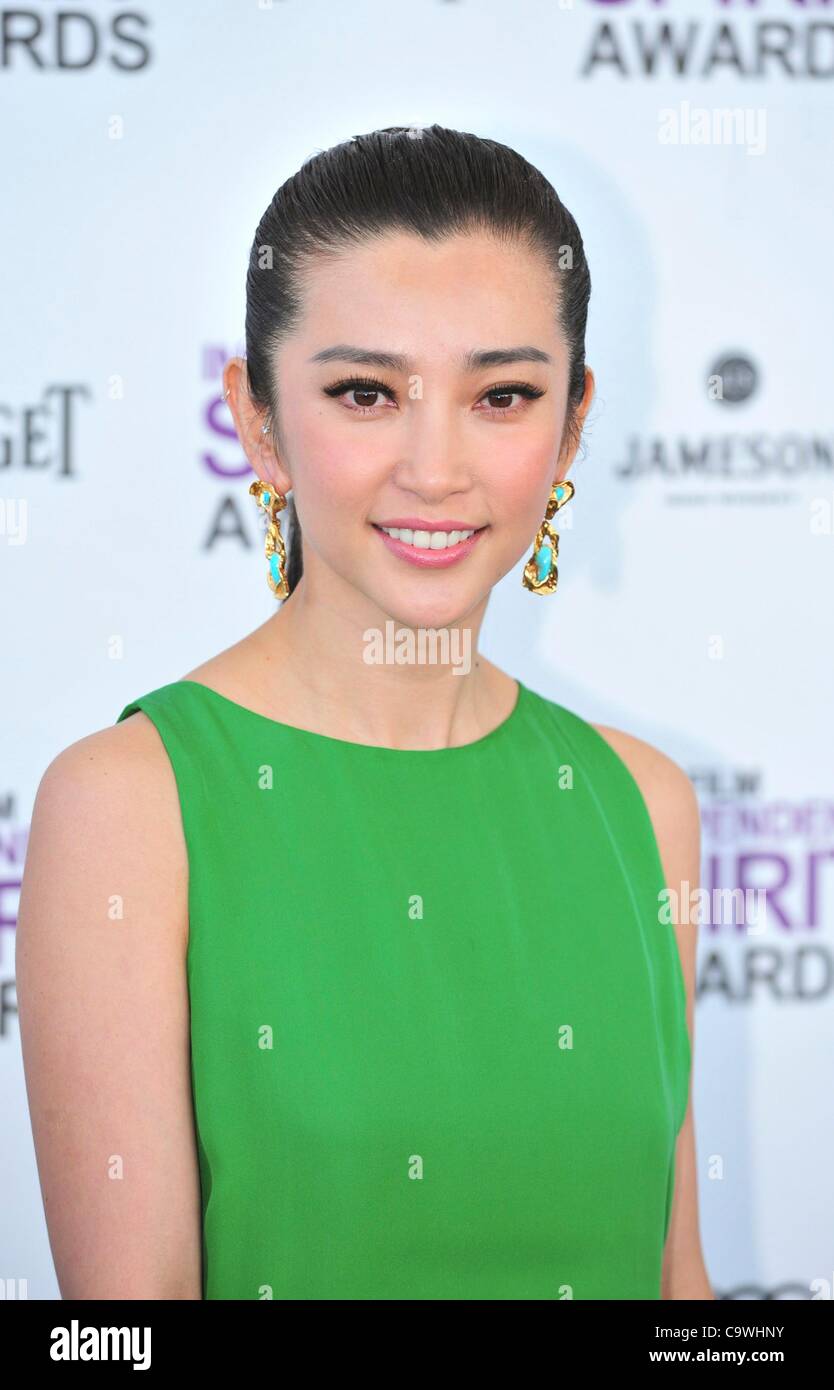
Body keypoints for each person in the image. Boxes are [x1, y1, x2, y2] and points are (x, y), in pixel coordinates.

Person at [16, 124, 712, 1300]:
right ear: (255, 418)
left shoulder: (641, 803)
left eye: (502, 394)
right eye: (365, 392)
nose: (435, 467)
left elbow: (676, 1290)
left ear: (575, 422)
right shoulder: (133, 806)